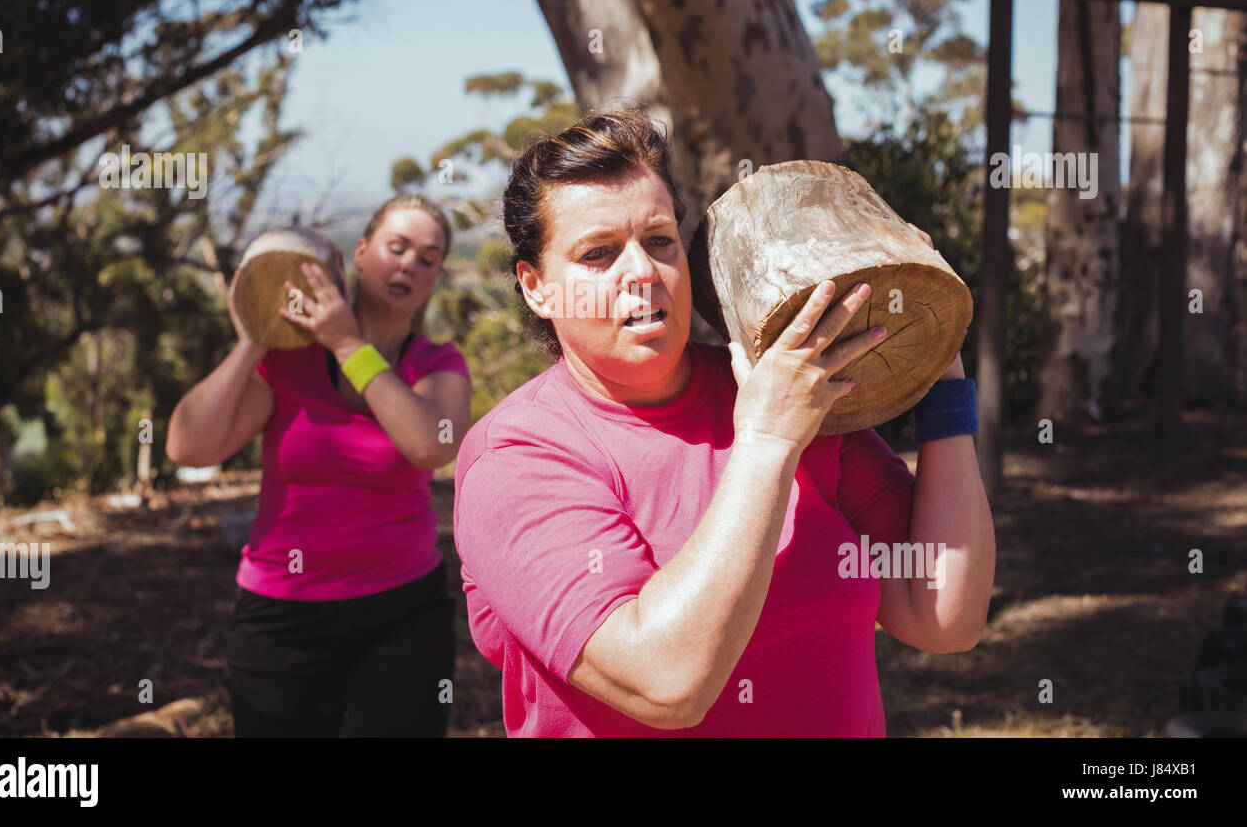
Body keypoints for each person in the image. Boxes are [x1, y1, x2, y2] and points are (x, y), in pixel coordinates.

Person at [453, 107, 995, 736]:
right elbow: (667, 686)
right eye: (598, 254)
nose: (642, 272)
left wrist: (939, 371)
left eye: (659, 240)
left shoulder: (787, 390)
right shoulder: (518, 455)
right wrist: (767, 441)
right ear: (536, 287)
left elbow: (943, 616)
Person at [166, 195, 472, 737]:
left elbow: (430, 444)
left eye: (428, 258)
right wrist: (252, 341)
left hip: (401, 611)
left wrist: (346, 343)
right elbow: (189, 448)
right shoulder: (287, 361)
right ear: (360, 253)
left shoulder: (437, 364)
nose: (409, 265)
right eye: (396, 248)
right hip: (280, 612)